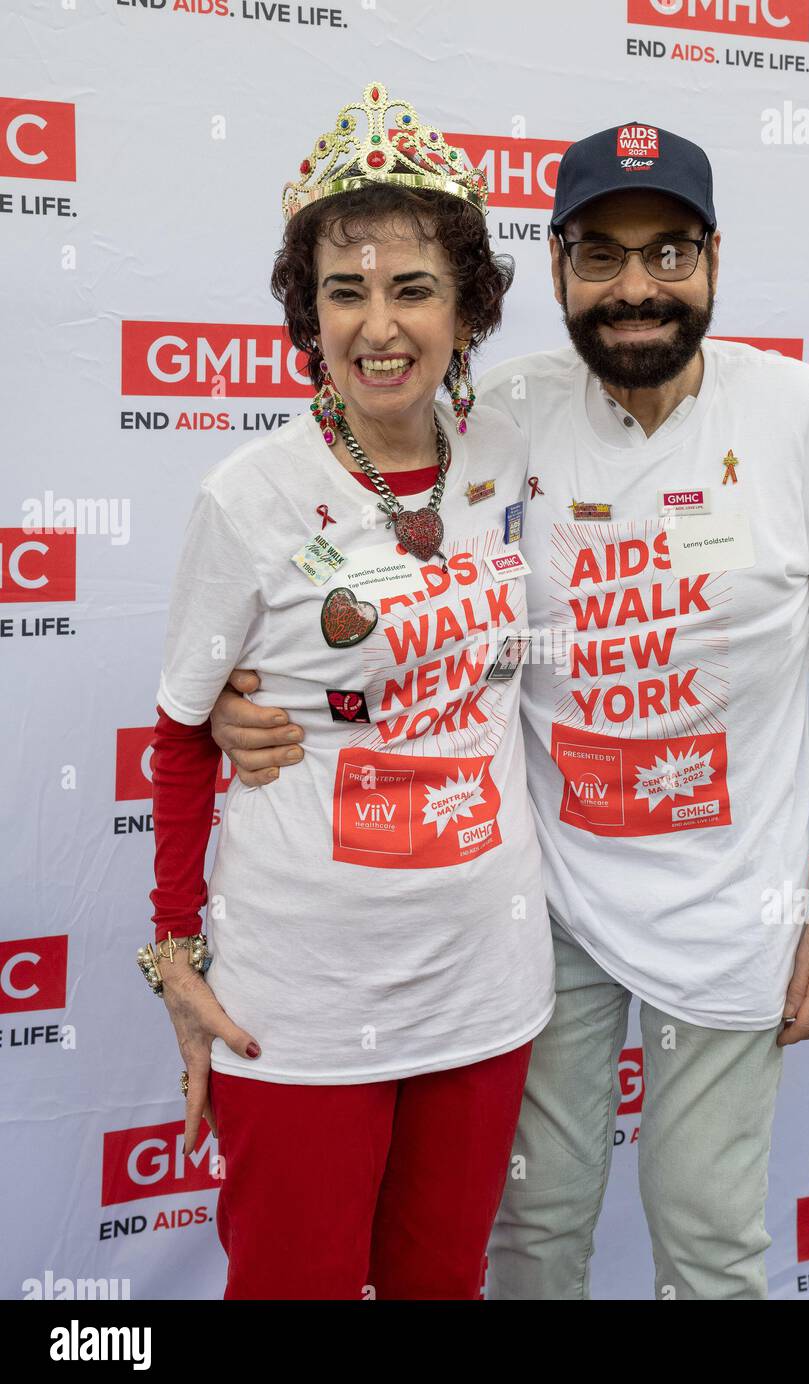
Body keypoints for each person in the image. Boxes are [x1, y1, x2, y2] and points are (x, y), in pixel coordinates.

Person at [210, 121, 809, 1300]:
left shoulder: (805, 416)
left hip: (732, 909)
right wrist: (260, 694)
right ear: (557, 270)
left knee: (708, 1243)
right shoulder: (503, 421)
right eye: (599, 255)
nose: (635, 286)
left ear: (714, 260)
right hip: (549, 910)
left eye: (667, 253)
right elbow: (376, 570)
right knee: (534, 1237)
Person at [140, 81, 555, 1301]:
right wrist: (174, 955)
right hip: (301, 998)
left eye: (413, 286)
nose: (379, 325)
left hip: (483, 982)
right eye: (344, 289)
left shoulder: (515, 450)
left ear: (470, 306)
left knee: (441, 1282)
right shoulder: (249, 495)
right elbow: (177, 741)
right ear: (304, 309)